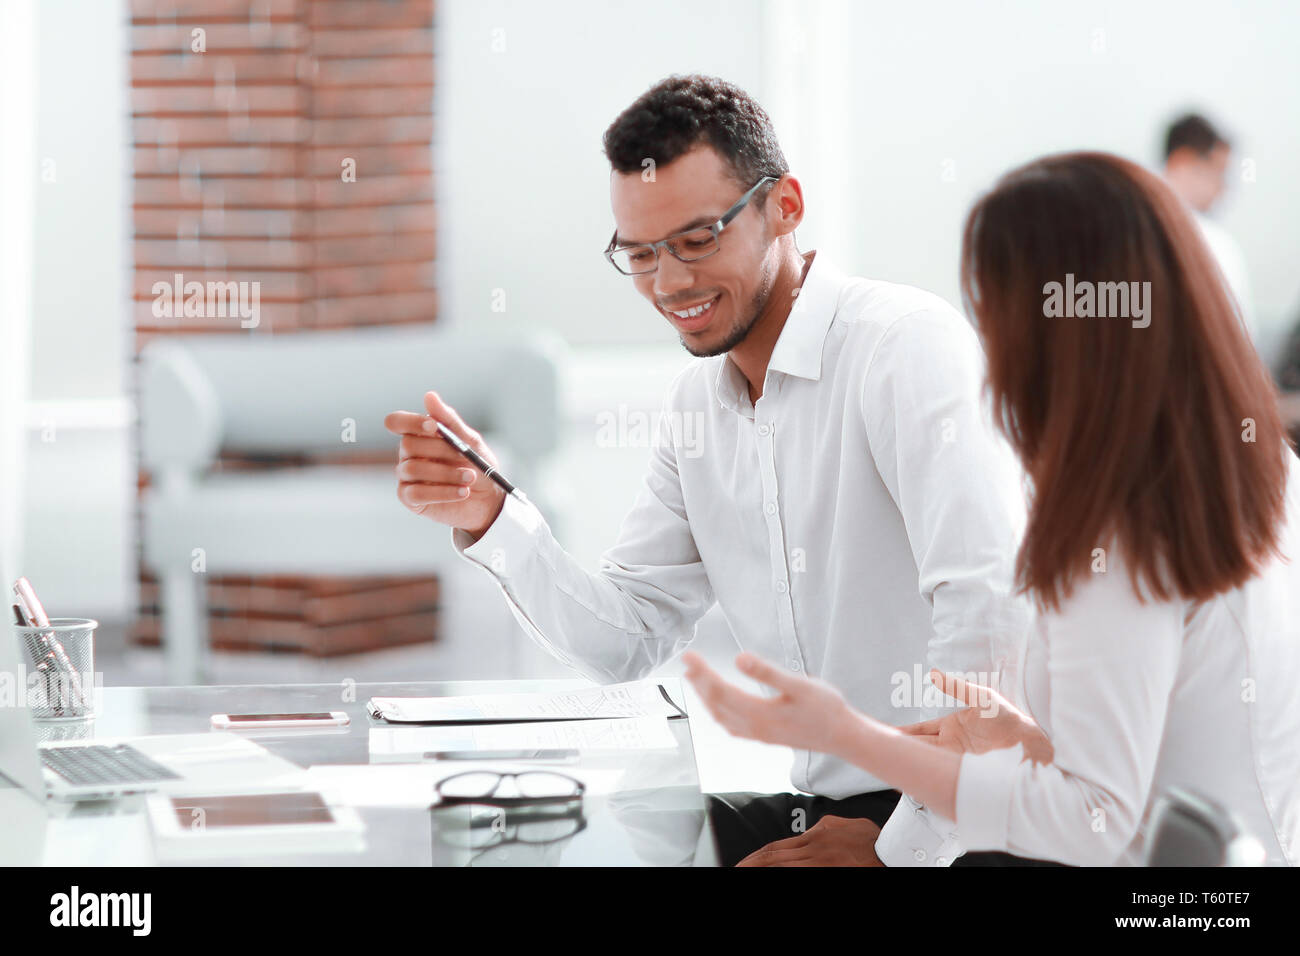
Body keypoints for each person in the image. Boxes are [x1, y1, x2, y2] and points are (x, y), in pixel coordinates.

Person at [384, 75, 1035, 866]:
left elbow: (990, 611)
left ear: (784, 206)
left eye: (698, 240)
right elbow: (626, 639)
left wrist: (898, 847)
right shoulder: (698, 404)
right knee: (560, 842)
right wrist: (493, 515)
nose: (671, 283)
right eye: (643, 254)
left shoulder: (904, 348)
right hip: (833, 808)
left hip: (976, 816)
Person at [684, 152, 1300, 866]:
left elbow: (1093, 821)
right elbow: (1161, 758)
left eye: (994, 313)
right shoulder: (1246, 471)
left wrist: (848, 735)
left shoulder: (1120, 533)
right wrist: (1021, 739)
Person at [1161, 112, 1257, 343]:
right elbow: (1242, 342)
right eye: (1219, 173)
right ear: (1182, 162)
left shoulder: (1122, 228)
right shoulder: (1214, 244)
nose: (1223, 189)